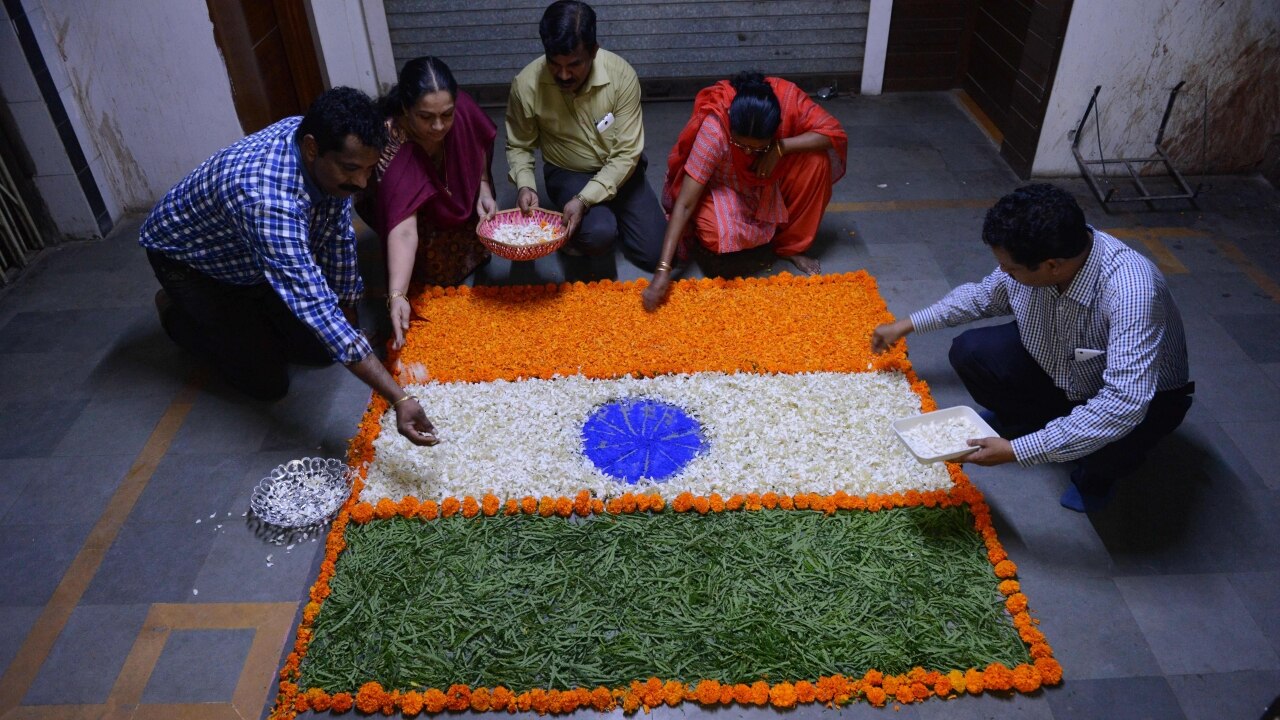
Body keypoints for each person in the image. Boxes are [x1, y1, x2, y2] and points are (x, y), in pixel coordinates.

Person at [139, 87, 438, 447]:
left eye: (368, 169)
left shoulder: (324, 145)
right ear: (311, 149)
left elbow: (338, 236)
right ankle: (176, 311)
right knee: (267, 383)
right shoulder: (265, 199)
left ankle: (257, 308)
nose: (361, 182)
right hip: (194, 265)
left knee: (322, 351)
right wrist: (399, 399)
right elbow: (317, 308)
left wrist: (349, 319)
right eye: (351, 169)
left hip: (251, 257)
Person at [871, 184, 1193, 512]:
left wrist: (1017, 451)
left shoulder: (1132, 292)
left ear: (1052, 266)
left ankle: (1095, 476)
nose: (1004, 274)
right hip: (1060, 365)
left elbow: (1123, 404)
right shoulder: (1042, 257)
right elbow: (982, 297)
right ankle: (1026, 419)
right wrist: (908, 324)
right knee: (971, 352)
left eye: (1011, 269)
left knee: (1113, 439)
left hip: (1138, 399)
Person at [643, 72, 848, 310]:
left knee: (816, 162)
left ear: (776, 129)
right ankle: (715, 233)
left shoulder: (789, 102)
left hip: (770, 177)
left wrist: (780, 148)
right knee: (717, 234)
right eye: (741, 145)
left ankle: (791, 247)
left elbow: (834, 133)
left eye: (758, 148)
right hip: (726, 186)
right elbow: (685, 203)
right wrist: (663, 270)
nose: (748, 153)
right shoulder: (715, 128)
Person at [505, 0, 664, 268]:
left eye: (574, 64)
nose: (563, 75)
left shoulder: (621, 76)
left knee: (655, 254)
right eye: (554, 64)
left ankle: (606, 213)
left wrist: (585, 200)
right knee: (599, 234)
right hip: (569, 171)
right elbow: (519, 145)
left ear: (594, 50)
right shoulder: (526, 85)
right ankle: (593, 226)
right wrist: (525, 185)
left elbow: (627, 154)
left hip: (622, 169)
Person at [370, 57, 497, 349]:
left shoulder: (460, 109)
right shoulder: (392, 146)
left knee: (476, 240)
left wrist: (483, 187)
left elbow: (476, 142)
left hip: (456, 197)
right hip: (417, 218)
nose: (439, 126)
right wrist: (397, 295)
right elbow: (403, 227)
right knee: (434, 275)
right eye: (426, 117)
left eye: (446, 115)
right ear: (405, 109)